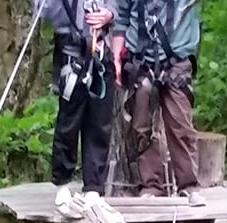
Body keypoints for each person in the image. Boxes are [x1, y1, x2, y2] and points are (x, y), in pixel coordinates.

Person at [113, 0, 204, 203]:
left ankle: (189, 186)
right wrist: (116, 59)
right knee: (142, 125)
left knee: (180, 124)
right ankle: (151, 186)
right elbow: (121, 18)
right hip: (140, 59)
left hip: (177, 58)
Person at [37, 0, 117, 193]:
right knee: (68, 123)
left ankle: (94, 188)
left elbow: (120, 6)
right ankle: (62, 184)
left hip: (101, 53)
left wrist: (110, 13)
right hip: (71, 55)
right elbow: (44, 10)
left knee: (100, 123)